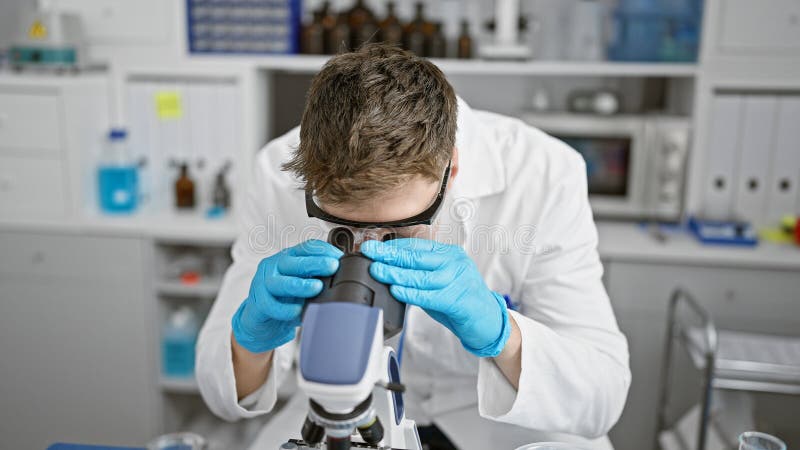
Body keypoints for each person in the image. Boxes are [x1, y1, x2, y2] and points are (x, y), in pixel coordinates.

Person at [196, 44, 630, 450]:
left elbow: (603, 396)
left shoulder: (543, 173)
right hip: (345, 400)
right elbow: (222, 394)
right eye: (340, 228)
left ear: (450, 169)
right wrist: (249, 340)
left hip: (498, 422)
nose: (366, 247)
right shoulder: (276, 172)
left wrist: (503, 335)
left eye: (398, 228)